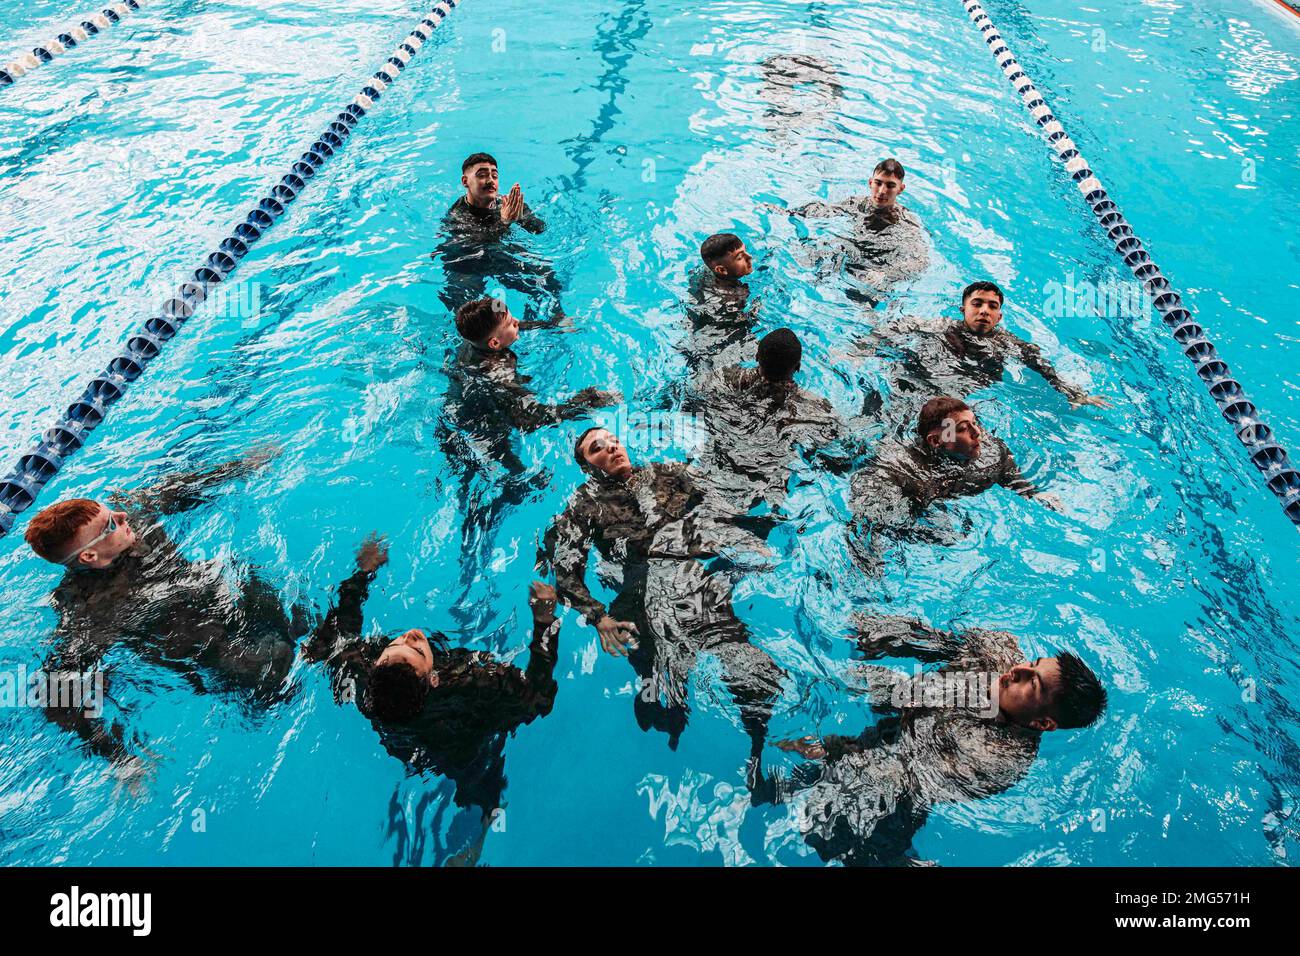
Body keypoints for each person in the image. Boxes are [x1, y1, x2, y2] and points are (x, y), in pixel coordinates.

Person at [22, 447, 297, 785]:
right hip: (211, 653)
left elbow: (175, 488)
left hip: (228, 602)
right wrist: (119, 759)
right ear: (90, 555)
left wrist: (243, 465)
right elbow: (54, 696)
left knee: (257, 577)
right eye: (111, 523)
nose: (123, 517)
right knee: (275, 681)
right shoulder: (88, 609)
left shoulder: (136, 526)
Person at [762, 613, 1106, 866]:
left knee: (834, 838)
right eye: (1032, 663)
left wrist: (832, 749)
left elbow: (908, 776)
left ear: (1044, 723)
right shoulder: (998, 652)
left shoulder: (1003, 758)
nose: (1017, 670)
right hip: (884, 737)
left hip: (893, 800)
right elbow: (936, 641)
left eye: (1031, 683)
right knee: (772, 785)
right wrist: (886, 633)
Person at [302, 535, 561, 856]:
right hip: (460, 746)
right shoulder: (470, 686)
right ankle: (476, 846)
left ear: (377, 666)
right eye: (414, 649)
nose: (408, 637)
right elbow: (538, 698)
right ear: (434, 678)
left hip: (404, 741)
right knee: (484, 782)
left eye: (396, 647)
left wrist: (364, 573)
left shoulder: (362, 673)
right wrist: (544, 622)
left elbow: (335, 634)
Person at [542, 427, 784, 765]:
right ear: (587, 466)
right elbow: (565, 570)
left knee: (743, 664)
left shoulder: (666, 474)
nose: (611, 447)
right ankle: (665, 717)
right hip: (638, 594)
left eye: (614, 440)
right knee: (654, 682)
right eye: (597, 448)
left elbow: (722, 495)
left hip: (691, 578)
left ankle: (758, 747)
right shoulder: (584, 506)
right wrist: (597, 616)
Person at [438, 297, 619, 616]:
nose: (517, 321)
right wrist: (585, 400)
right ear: (494, 343)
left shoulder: (476, 343)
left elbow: (511, 328)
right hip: (482, 432)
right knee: (517, 486)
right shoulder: (498, 374)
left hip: (457, 414)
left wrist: (551, 324)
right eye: (510, 322)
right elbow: (532, 421)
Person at [848, 397, 1061, 572]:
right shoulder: (907, 471)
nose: (977, 433)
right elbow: (871, 519)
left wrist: (1033, 493)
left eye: (975, 423)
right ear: (935, 441)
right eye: (963, 429)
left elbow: (1008, 473)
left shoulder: (992, 452)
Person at [857, 281, 1111, 411]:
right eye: (977, 304)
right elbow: (898, 327)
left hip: (954, 398)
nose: (984, 311)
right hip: (913, 381)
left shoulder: (1010, 344)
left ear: (999, 316)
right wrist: (861, 349)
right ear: (963, 310)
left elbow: (1044, 369)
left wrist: (1075, 394)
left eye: (992, 306)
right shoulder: (940, 325)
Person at [690, 327, 859, 511]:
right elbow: (843, 450)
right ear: (798, 366)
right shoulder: (813, 408)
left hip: (717, 460)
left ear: (756, 357)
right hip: (764, 480)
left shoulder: (727, 378)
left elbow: (694, 395)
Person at [432, 152, 567, 324]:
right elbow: (476, 246)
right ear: (465, 182)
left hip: (500, 255)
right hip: (467, 264)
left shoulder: (505, 204)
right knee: (465, 310)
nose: (490, 180)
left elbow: (540, 230)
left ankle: (558, 317)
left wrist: (521, 217)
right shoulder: (458, 214)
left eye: (494, 176)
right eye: (482, 175)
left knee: (545, 275)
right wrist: (504, 222)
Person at [771, 158, 929, 302]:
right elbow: (825, 210)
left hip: (880, 266)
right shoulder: (857, 204)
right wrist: (789, 212)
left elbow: (920, 261)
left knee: (865, 296)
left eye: (890, 185)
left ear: (900, 189)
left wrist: (887, 274)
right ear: (870, 183)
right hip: (851, 252)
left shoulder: (907, 221)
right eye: (878, 183)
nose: (882, 191)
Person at [681, 233, 761, 385]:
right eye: (740, 257)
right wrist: (754, 310)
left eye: (746, 251)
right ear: (722, 270)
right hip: (716, 344)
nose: (750, 257)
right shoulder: (730, 299)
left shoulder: (703, 273)